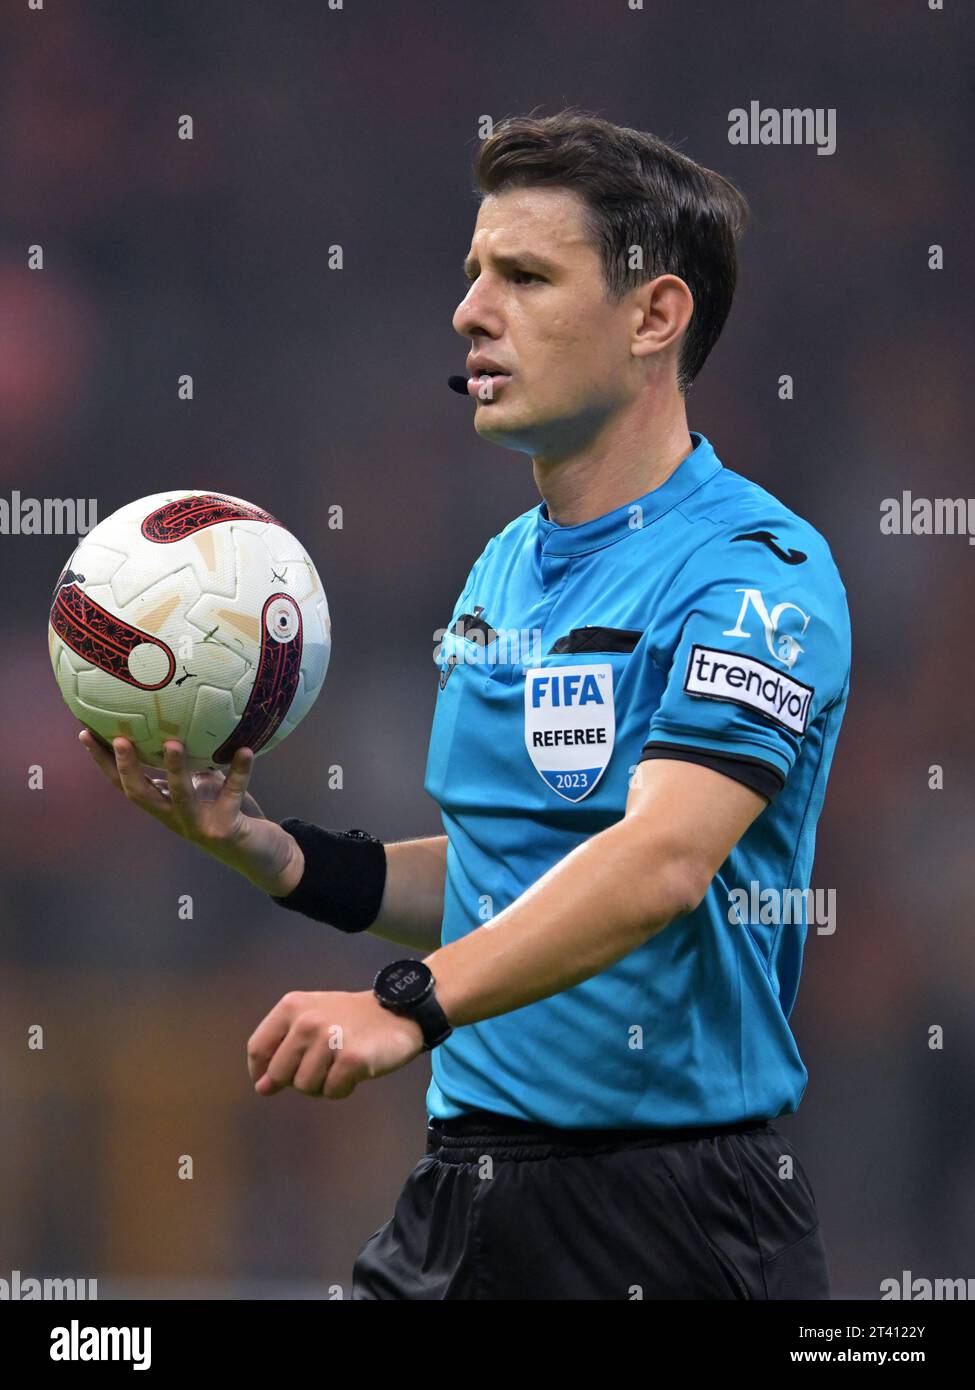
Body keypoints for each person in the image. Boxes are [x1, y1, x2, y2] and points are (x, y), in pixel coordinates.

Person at [81, 110, 851, 1300]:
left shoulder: (755, 573)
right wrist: (270, 851)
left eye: (526, 276)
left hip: (679, 1220)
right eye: (473, 273)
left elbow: (659, 863)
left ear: (656, 316)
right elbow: (509, 873)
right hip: (464, 1189)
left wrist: (411, 1006)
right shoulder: (504, 564)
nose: (471, 311)